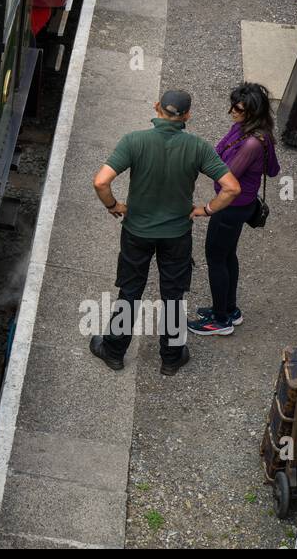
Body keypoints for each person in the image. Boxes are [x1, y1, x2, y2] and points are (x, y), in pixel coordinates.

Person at [90, 90, 241, 375]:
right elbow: (232, 187)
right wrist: (206, 209)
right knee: (173, 294)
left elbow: (101, 182)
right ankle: (171, 358)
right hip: (177, 234)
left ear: (156, 107)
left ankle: (113, 352)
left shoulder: (134, 141)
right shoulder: (198, 147)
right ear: (187, 116)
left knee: (131, 291)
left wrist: (113, 205)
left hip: (137, 231)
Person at [189, 82, 281, 335]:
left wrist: (206, 209)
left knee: (216, 258)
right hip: (244, 206)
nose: (233, 111)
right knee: (228, 255)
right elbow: (273, 170)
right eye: (233, 105)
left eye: (239, 109)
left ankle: (220, 321)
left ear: (252, 111)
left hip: (229, 209)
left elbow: (225, 177)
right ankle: (229, 309)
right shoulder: (257, 133)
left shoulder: (250, 143)